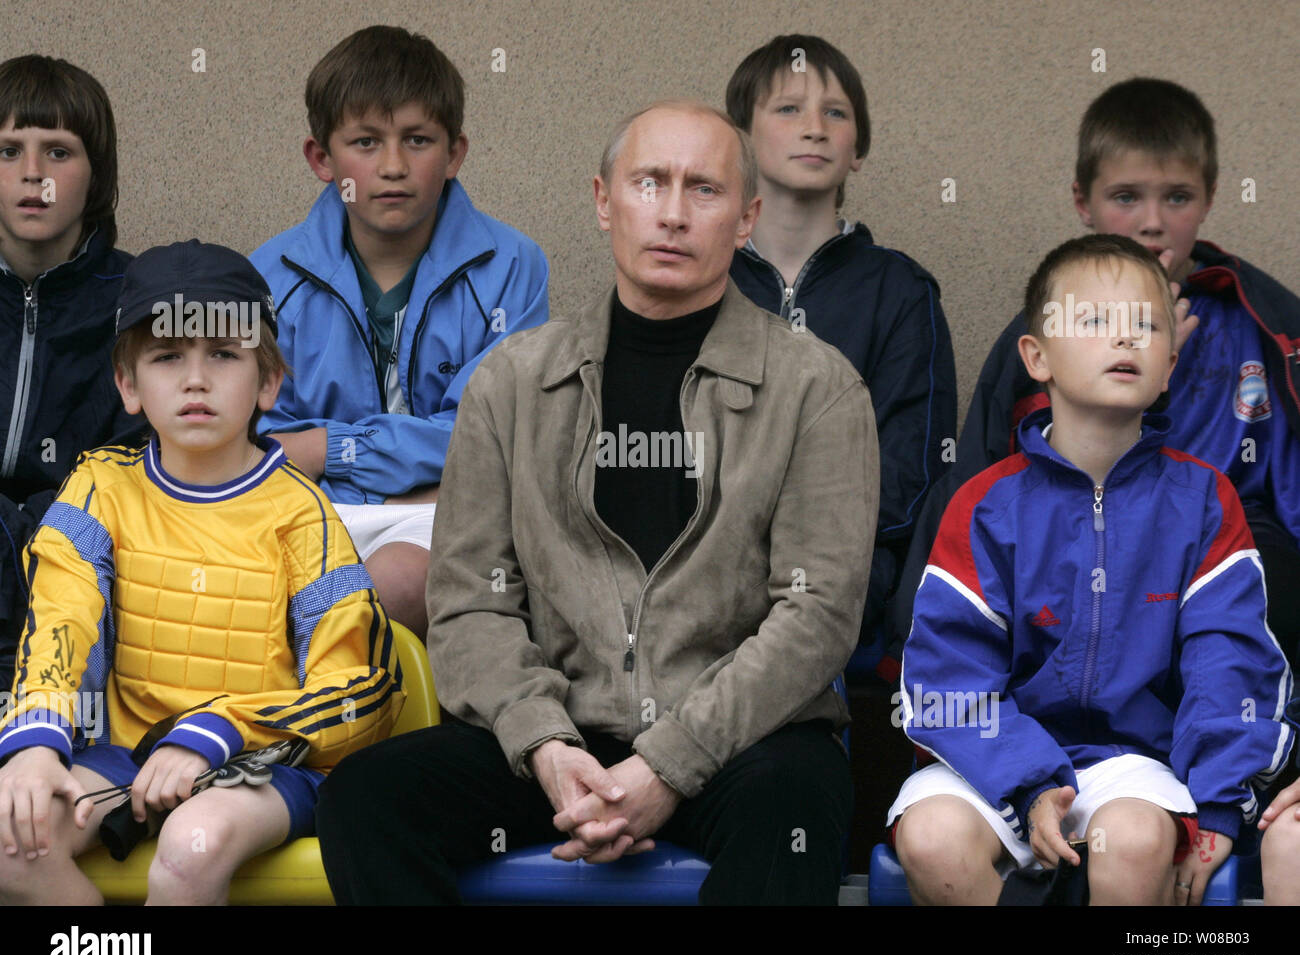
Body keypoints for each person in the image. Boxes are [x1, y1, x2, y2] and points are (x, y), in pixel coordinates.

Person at [315, 99, 877, 905]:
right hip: (560, 730)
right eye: (650, 183)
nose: (674, 213)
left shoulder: (816, 389)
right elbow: (469, 598)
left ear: (747, 218)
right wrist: (544, 744)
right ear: (604, 201)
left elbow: (816, 614)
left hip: (745, 741)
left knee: (793, 812)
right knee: (367, 800)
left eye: (705, 190)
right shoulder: (512, 383)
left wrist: (669, 763)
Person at [889, 234, 1292, 906]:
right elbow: (946, 677)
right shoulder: (984, 504)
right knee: (932, 838)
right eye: (1095, 321)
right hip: (993, 761)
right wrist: (1030, 783)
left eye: (1147, 324)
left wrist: (1221, 804)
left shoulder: (1204, 501)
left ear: (1169, 364)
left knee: (1132, 840)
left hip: (1136, 765)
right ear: (1036, 357)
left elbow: (1231, 662)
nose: (1125, 339)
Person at [0, 241, 403, 905]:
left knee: (192, 846)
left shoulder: (304, 514)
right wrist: (39, 739)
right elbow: (58, 625)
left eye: (223, 355)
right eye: (167, 357)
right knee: (16, 839)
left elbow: (359, 690)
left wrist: (218, 732)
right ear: (128, 385)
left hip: (262, 764)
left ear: (268, 380)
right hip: (121, 754)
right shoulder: (98, 485)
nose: (195, 379)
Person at [892, 78, 1300, 672]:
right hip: (1072, 527)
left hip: (1225, 542)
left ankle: (1246, 750)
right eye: (1127, 197)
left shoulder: (1259, 314)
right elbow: (988, 473)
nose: (1153, 222)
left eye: (1178, 197)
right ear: (1084, 202)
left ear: (1210, 197)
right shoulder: (1050, 321)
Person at [251, 25, 550, 636]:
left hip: (448, 518)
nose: (392, 166)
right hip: (306, 509)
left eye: (417, 140)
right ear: (322, 159)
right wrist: (391, 485)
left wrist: (328, 449)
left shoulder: (513, 265)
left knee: (386, 590)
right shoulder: (268, 274)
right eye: (365, 141)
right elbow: (263, 442)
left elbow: (485, 437)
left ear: (455, 153)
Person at [726, 34, 955, 661]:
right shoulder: (703, 279)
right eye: (788, 109)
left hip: (848, 580)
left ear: (858, 149)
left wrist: (826, 561)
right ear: (741, 138)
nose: (815, 128)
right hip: (708, 571)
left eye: (836, 112)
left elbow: (914, 467)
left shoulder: (900, 290)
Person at [0, 55, 145, 694]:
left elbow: (144, 472)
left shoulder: (140, 304)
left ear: (96, 175)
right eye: (8, 151)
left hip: (82, 584)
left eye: (58, 152)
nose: (34, 175)